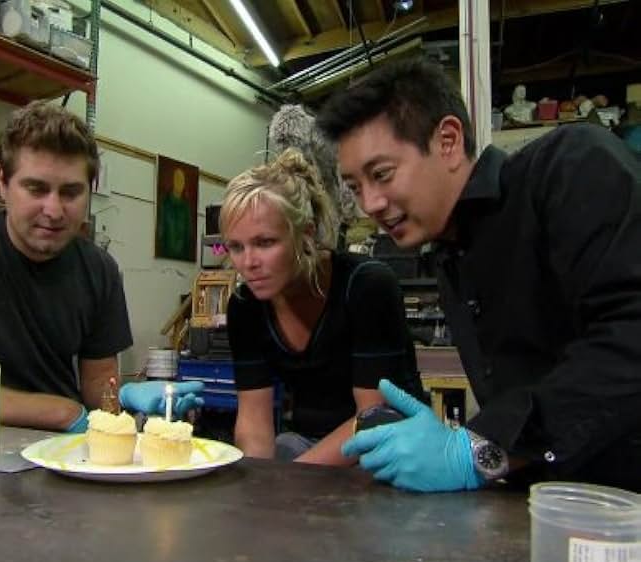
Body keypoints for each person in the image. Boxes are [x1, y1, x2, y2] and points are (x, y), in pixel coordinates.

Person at [317, 57, 641, 492]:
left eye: (381, 174)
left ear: (448, 141)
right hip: (558, 506)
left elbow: (631, 335)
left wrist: (476, 452)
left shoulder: (570, 166)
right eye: (355, 188)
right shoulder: (452, 254)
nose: (370, 204)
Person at [0, 101, 202, 432]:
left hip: (58, 459)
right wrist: (58, 413)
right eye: (36, 189)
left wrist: (125, 396)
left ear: (91, 189)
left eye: (71, 192)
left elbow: (100, 390)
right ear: (1, 181)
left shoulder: (99, 270)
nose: (54, 210)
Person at [220, 147, 425, 464]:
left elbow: (373, 418)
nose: (248, 263)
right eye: (236, 247)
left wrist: (293, 480)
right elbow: (254, 424)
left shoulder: (366, 286)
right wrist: (258, 488)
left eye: (265, 242)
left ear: (306, 235)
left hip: (392, 443)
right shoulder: (245, 307)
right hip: (306, 444)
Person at [156, 167, 195, 261]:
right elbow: (161, 232)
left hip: (183, 256)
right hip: (166, 254)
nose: (180, 183)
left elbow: (189, 234)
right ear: (173, 181)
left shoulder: (186, 207)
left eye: (182, 180)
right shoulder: (165, 204)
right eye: (178, 179)